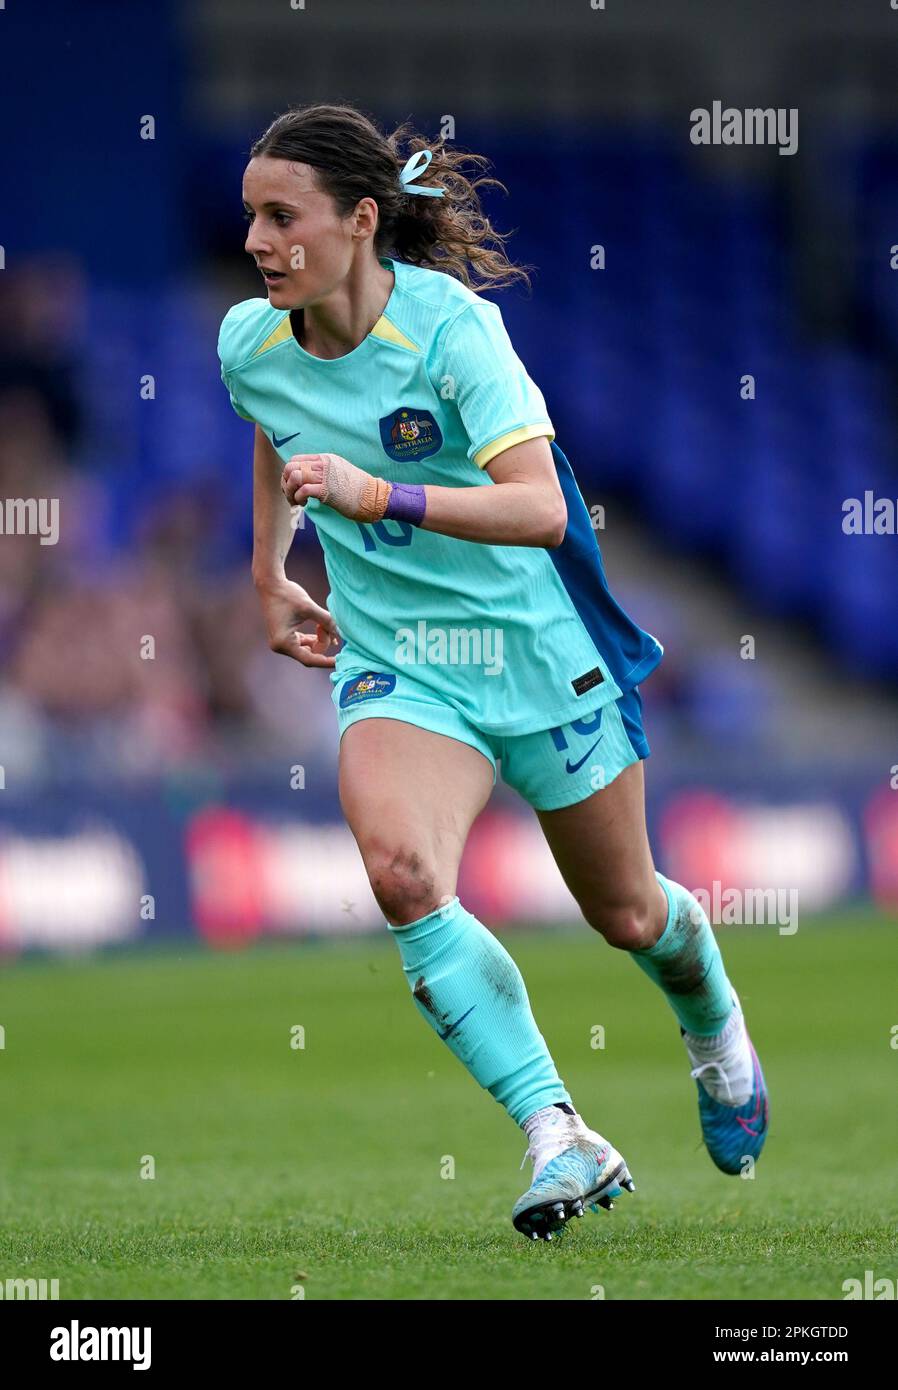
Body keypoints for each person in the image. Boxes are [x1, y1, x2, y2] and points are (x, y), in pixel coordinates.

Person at [218, 102, 769, 1242]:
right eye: (249, 219)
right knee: (402, 873)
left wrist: (384, 496)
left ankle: (711, 1016)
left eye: (283, 218)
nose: (259, 242)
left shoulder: (453, 330)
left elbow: (536, 505)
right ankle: (555, 1129)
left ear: (361, 220)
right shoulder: (247, 340)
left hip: (536, 650)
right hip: (402, 665)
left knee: (624, 911)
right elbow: (274, 420)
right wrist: (270, 569)